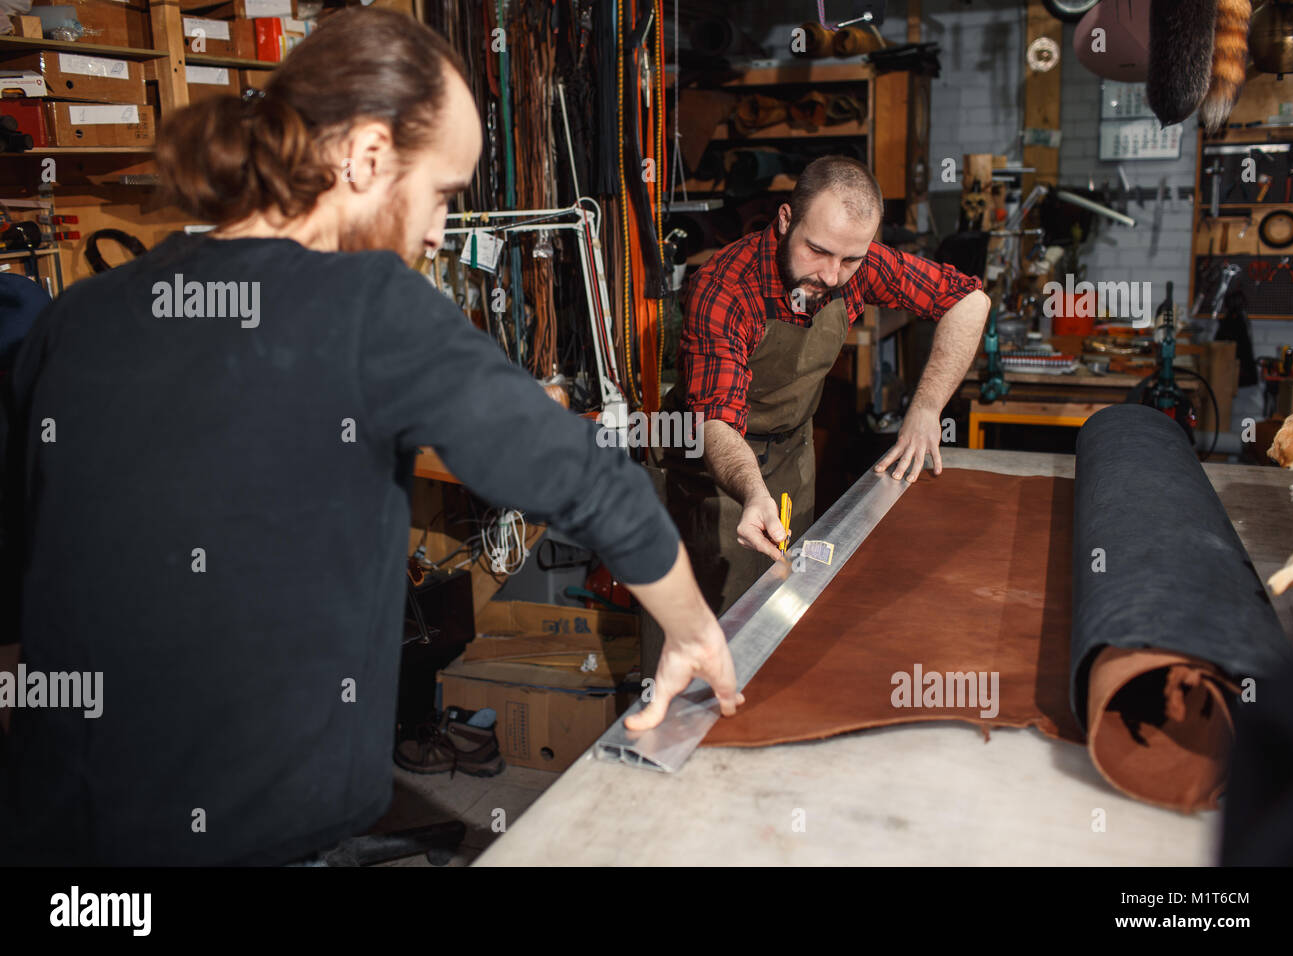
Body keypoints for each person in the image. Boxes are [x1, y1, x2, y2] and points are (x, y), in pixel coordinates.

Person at [0, 8, 738, 866]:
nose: (435, 232)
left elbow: (28, 549)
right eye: (442, 195)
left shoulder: (75, 317)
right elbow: (595, 481)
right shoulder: (368, 306)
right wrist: (691, 631)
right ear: (366, 157)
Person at [660, 156, 990, 615]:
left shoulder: (855, 262)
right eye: (816, 251)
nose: (832, 276)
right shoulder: (724, 289)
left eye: (851, 258)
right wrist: (755, 494)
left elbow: (970, 302)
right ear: (784, 220)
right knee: (711, 629)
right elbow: (716, 420)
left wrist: (926, 407)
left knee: (785, 611)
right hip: (713, 473)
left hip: (792, 455)